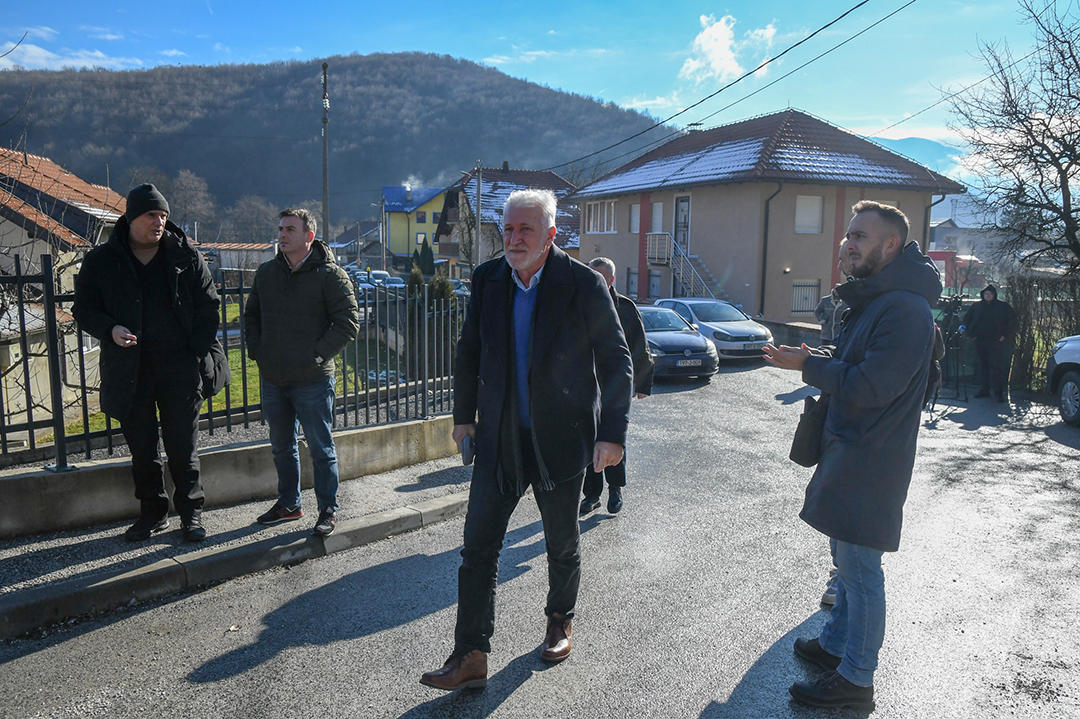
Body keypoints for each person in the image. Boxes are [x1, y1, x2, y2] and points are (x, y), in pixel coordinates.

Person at [420, 189, 633, 692]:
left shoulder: (581, 283)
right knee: (477, 550)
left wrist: (613, 434)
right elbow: (468, 351)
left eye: (526, 230)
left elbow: (616, 358)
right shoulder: (488, 279)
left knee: (561, 544)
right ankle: (471, 653)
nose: (514, 239)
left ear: (551, 235)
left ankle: (560, 620)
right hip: (498, 440)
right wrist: (464, 417)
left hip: (561, 440)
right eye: (509, 230)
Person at [764, 201, 941, 711]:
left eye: (860, 236)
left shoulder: (905, 308)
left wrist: (808, 368)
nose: (847, 244)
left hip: (873, 460)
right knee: (846, 561)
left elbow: (872, 385)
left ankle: (857, 679)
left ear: (891, 246)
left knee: (861, 571)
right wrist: (812, 360)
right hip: (854, 452)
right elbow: (856, 363)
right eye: (847, 235)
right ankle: (837, 646)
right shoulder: (879, 299)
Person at [73, 184, 220, 543]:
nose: (159, 222)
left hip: (180, 366)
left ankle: (191, 515)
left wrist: (197, 352)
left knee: (183, 447)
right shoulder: (102, 260)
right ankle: (153, 514)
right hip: (129, 368)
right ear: (131, 218)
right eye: (151, 215)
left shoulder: (185, 256)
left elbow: (208, 306)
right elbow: (84, 309)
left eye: (164, 215)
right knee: (142, 448)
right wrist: (110, 329)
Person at [246, 208, 359, 538]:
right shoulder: (267, 274)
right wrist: (258, 352)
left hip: (312, 379)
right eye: (281, 228)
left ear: (308, 236)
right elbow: (251, 317)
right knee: (281, 447)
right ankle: (289, 504)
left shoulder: (330, 275)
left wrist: (316, 354)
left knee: (320, 449)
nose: (282, 234)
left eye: (290, 229)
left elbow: (348, 323)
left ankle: (328, 509)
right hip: (273, 378)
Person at [580, 256, 653, 515]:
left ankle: (615, 490)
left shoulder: (625, 307)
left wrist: (643, 381)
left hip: (614, 383)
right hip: (586, 382)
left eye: (600, 277)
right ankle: (591, 495)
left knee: (611, 434)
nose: (595, 281)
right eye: (592, 275)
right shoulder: (579, 302)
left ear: (611, 280)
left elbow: (638, 344)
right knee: (588, 438)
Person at [962, 284, 1016, 402]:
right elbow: (966, 320)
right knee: (983, 366)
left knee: (996, 366)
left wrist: (1004, 336)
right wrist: (972, 335)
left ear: (994, 295)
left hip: (996, 341)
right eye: (986, 294)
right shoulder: (976, 306)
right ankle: (984, 389)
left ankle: (998, 392)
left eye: (990, 294)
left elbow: (1012, 321)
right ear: (983, 294)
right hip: (980, 340)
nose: (988, 296)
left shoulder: (1002, 307)